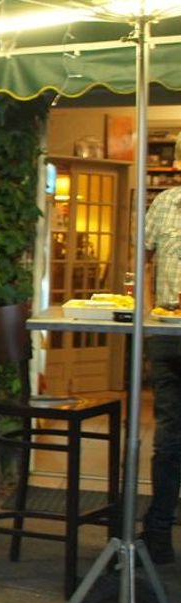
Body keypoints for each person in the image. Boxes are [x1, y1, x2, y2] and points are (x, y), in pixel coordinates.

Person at [141, 184, 181, 566]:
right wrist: (151, 312)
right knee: (169, 437)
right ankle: (159, 532)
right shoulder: (166, 201)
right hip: (168, 330)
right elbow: (145, 258)